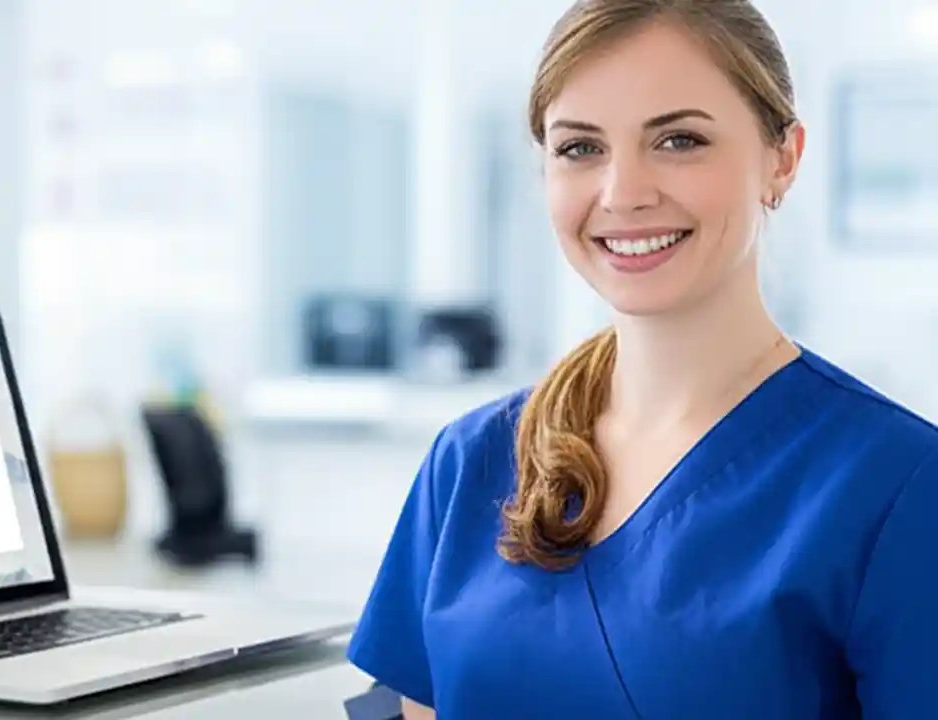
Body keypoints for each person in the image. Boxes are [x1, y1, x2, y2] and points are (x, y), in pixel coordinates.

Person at [346, 1, 938, 718]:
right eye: (579, 148)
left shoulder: (896, 486)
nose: (623, 194)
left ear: (781, 158)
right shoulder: (471, 462)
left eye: (679, 140)